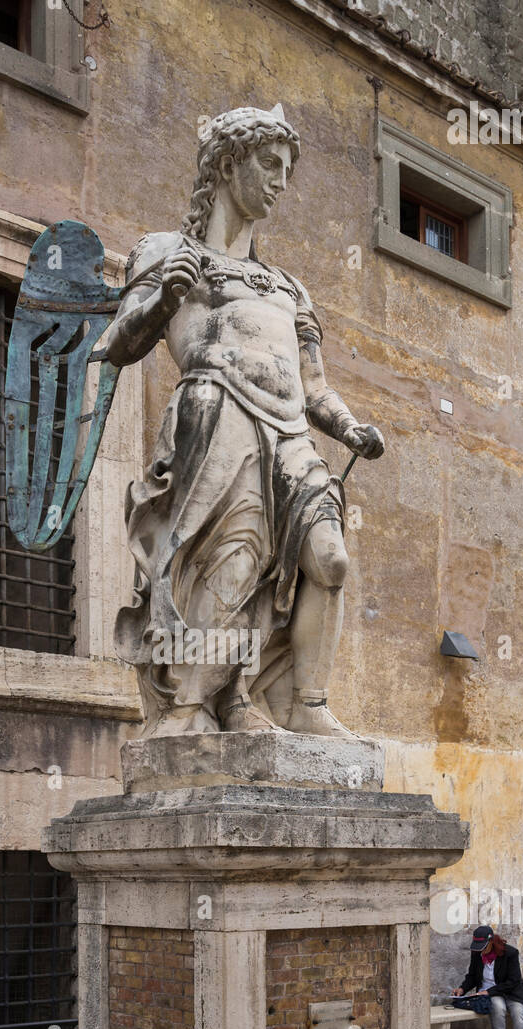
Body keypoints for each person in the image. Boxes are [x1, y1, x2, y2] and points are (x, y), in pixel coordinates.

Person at [106, 104, 385, 738]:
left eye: (287, 169)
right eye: (269, 164)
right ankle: (201, 705)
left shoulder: (287, 286)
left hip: (290, 433)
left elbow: (315, 386)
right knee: (232, 570)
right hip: (216, 417)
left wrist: (349, 429)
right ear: (228, 163)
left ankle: (307, 705)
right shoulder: (165, 252)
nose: (281, 182)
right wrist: (164, 299)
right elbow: (120, 344)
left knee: (330, 560)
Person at [452, 925, 523, 1029]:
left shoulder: (510, 953)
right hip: (492, 994)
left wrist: (489, 992)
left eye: (483, 946)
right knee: (497, 1008)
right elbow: (472, 976)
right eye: (477, 947)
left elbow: (513, 981)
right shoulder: (477, 954)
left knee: (518, 1013)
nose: (480, 950)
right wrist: (462, 988)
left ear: (491, 942)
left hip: (512, 992)